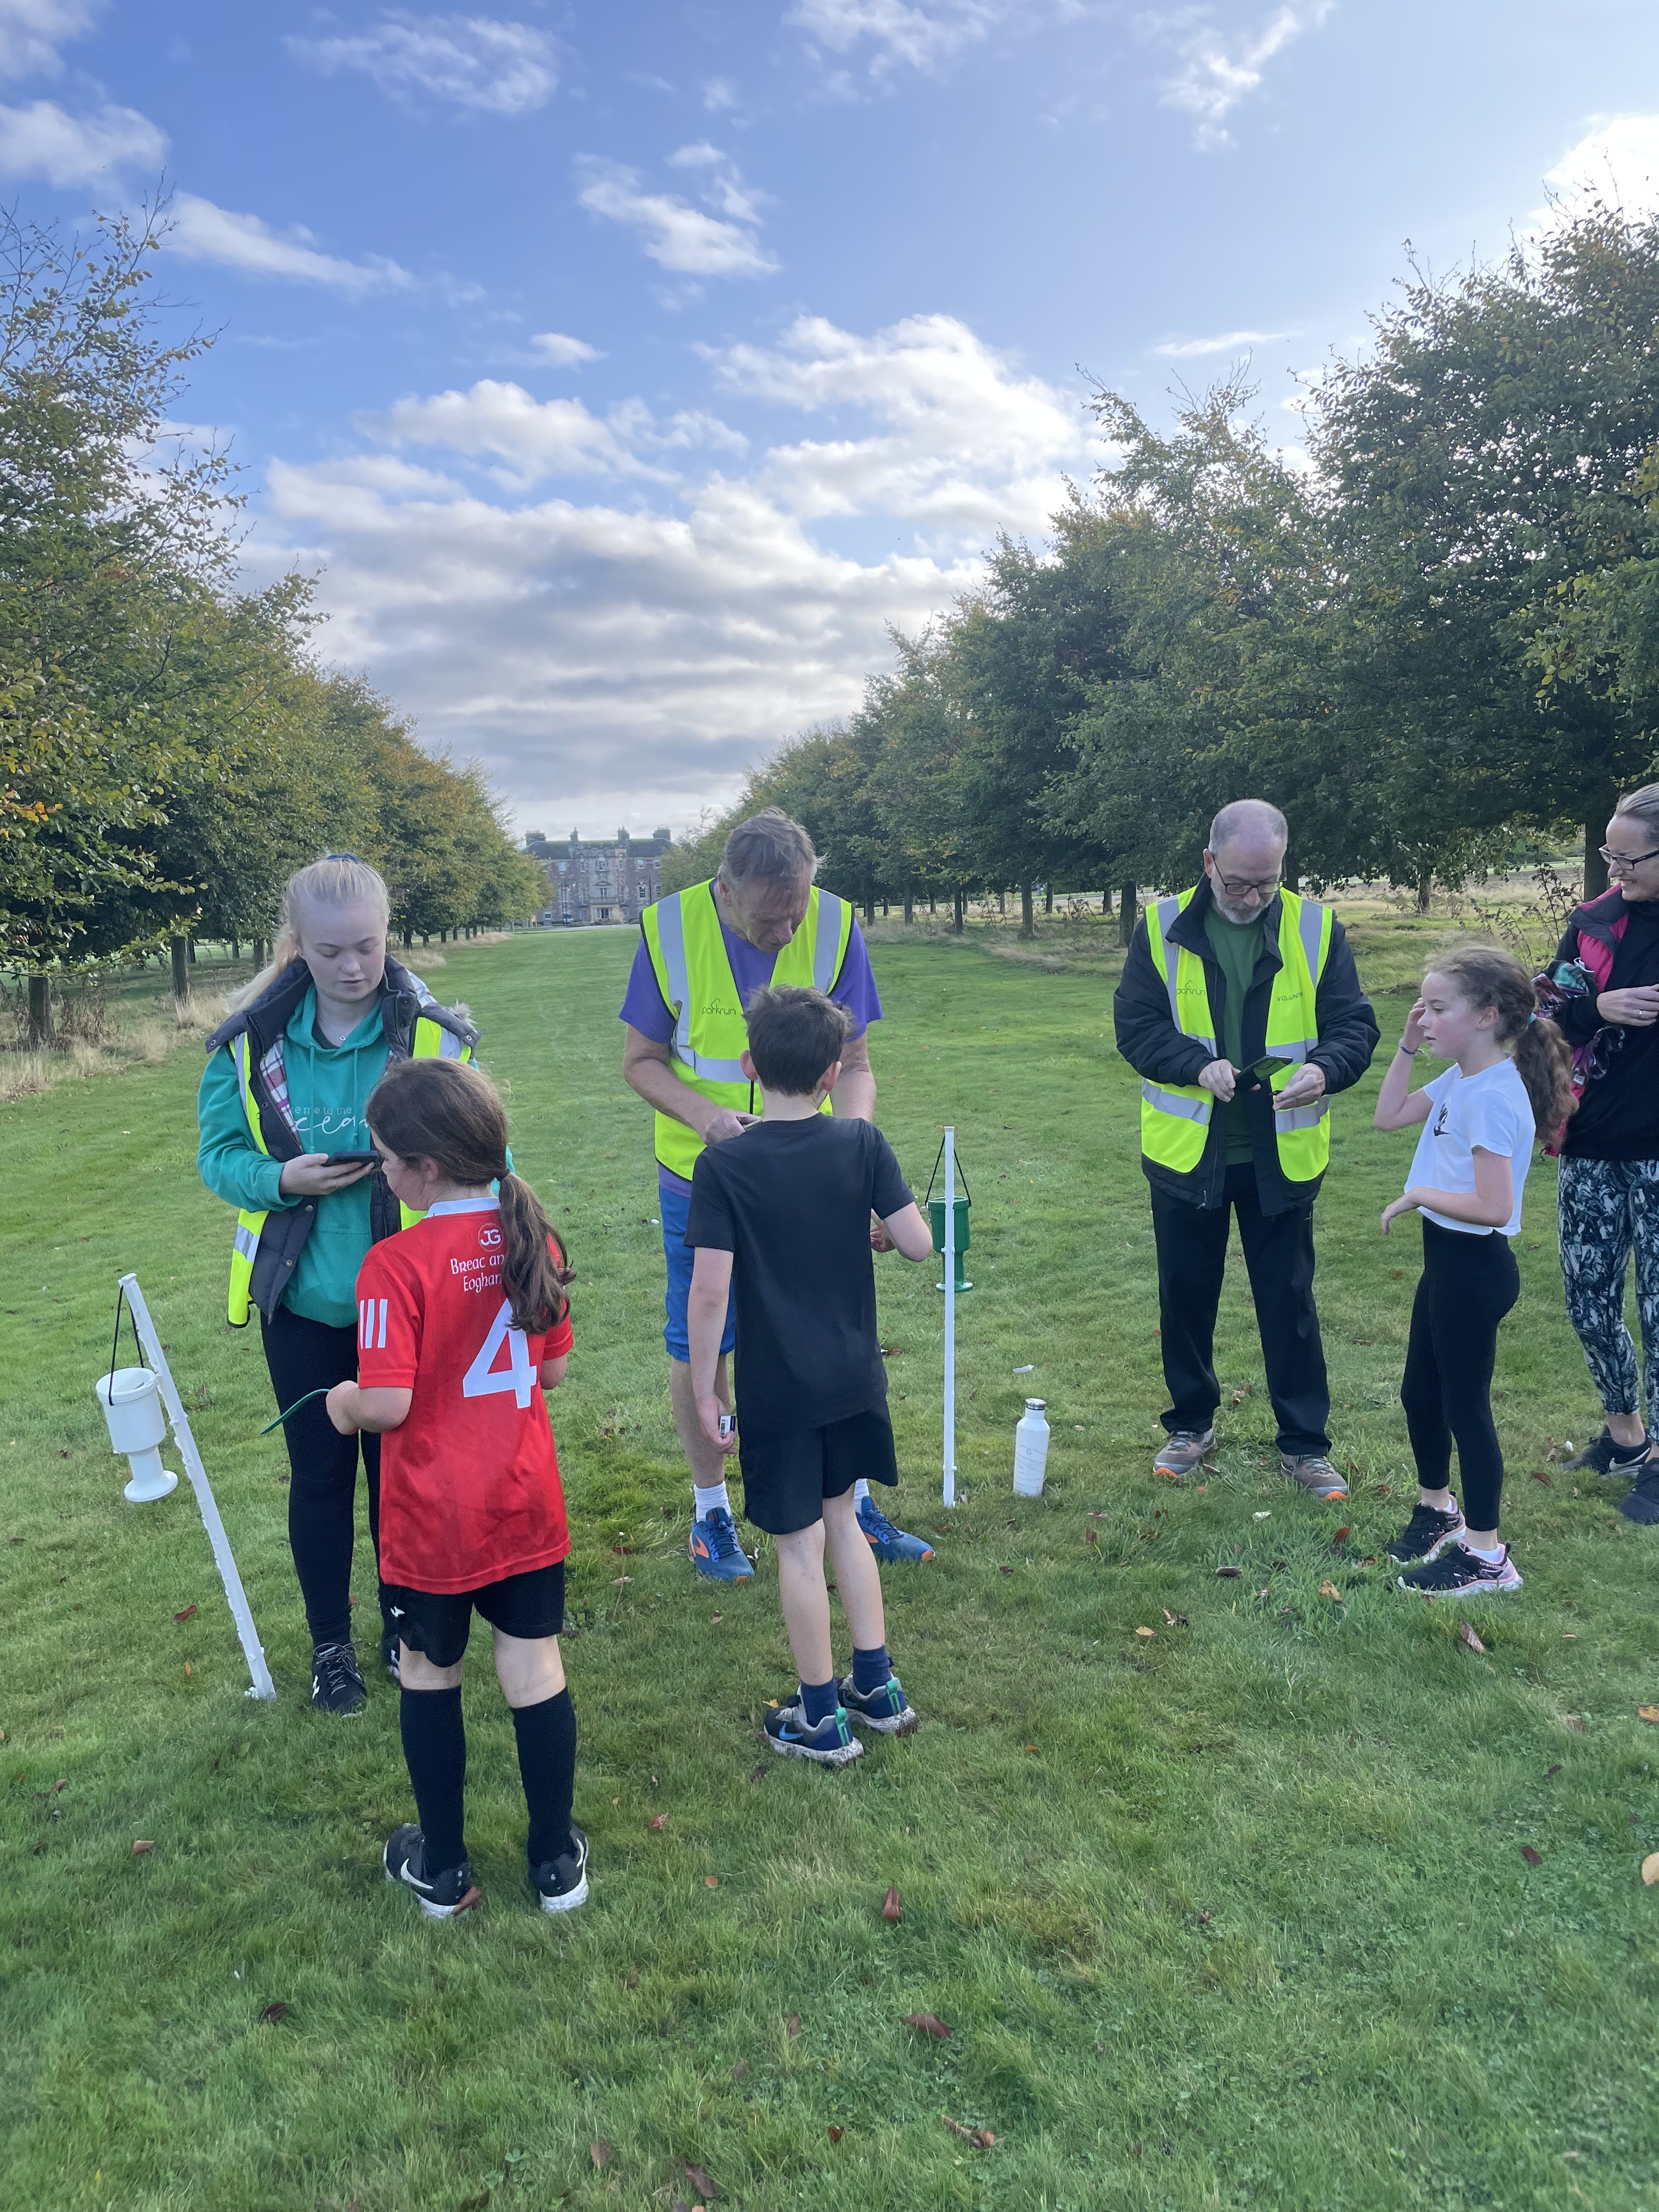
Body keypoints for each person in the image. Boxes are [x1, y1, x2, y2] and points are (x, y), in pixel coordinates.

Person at [620, 806, 935, 1580]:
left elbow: (855, 1063)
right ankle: (712, 1513)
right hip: (703, 1176)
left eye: (797, 911)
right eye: (769, 919)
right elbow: (641, 1060)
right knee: (703, 1337)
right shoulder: (667, 930)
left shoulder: (836, 923)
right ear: (726, 891)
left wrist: (855, 1163)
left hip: (812, 1177)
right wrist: (707, 1119)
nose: (787, 932)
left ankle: (850, 1503)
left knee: (824, 1331)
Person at [197, 854, 478, 1714]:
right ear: (297, 945)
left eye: (367, 946)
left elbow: (484, 1156)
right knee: (319, 1479)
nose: (353, 967)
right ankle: (331, 1648)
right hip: (305, 1306)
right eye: (330, 952)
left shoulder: (432, 1037)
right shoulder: (248, 1045)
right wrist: (282, 1180)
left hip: (411, 1308)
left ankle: (401, 1624)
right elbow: (219, 1158)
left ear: (388, 936)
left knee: (402, 1476)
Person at [325, 1056, 588, 1919]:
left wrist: (341, 1403)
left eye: (386, 1160)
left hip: (435, 1521)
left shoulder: (393, 1265)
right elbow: (549, 1374)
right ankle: (555, 1864)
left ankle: (443, 1868)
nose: (383, 1175)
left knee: (428, 1672)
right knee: (533, 1668)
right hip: (524, 1503)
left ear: (427, 1168)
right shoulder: (533, 1236)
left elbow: (388, 1404)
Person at [684, 986, 937, 1765]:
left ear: (749, 1065)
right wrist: (885, 1230)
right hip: (854, 1380)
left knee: (799, 1546)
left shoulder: (723, 1165)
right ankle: (879, 1689)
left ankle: (822, 1718)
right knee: (845, 1521)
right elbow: (919, 1244)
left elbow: (709, 1293)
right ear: (833, 1076)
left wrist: (705, 1390)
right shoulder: (862, 1144)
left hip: (781, 1392)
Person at [1113, 800, 1380, 1498]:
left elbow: (1354, 1025)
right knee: (1185, 1296)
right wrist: (1195, 1066)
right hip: (1186, 1152)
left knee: (1289, 1301)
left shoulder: (1317, 929)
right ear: (1209, 863)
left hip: (1281, 1155)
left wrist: (1326, 1068)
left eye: (1268, 882)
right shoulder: (1159, 927)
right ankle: (1190, 1425)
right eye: (1238, 883)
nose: (1253, 897)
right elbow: (1136, 1027)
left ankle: (1305, 1446)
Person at [1373, 946, 1574, 1597]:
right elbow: (1389, 1116)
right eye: (1423, 1008)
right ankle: (1438, 1510)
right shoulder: (1463, 1079)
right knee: (1419, 1394)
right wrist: (1406, 1047)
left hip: (1474, 1269)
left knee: (1466, 1408)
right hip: (1446, 1265)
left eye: (1438, 1009)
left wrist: (1420, 1194)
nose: (1424, 1018)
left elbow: (1495, 1207)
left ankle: (1487, 1556)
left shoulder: (1491, 1096)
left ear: (1487, 1015)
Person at [1535, 783, 1659, 1520]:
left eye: (1629, 858)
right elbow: (1546, 1017)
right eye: (1609, 854)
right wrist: (1597, 1008)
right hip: (1589, 1143)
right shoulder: (1592, 923)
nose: (1614, 869)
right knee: (1588, 1298)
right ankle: (1625, 1436)